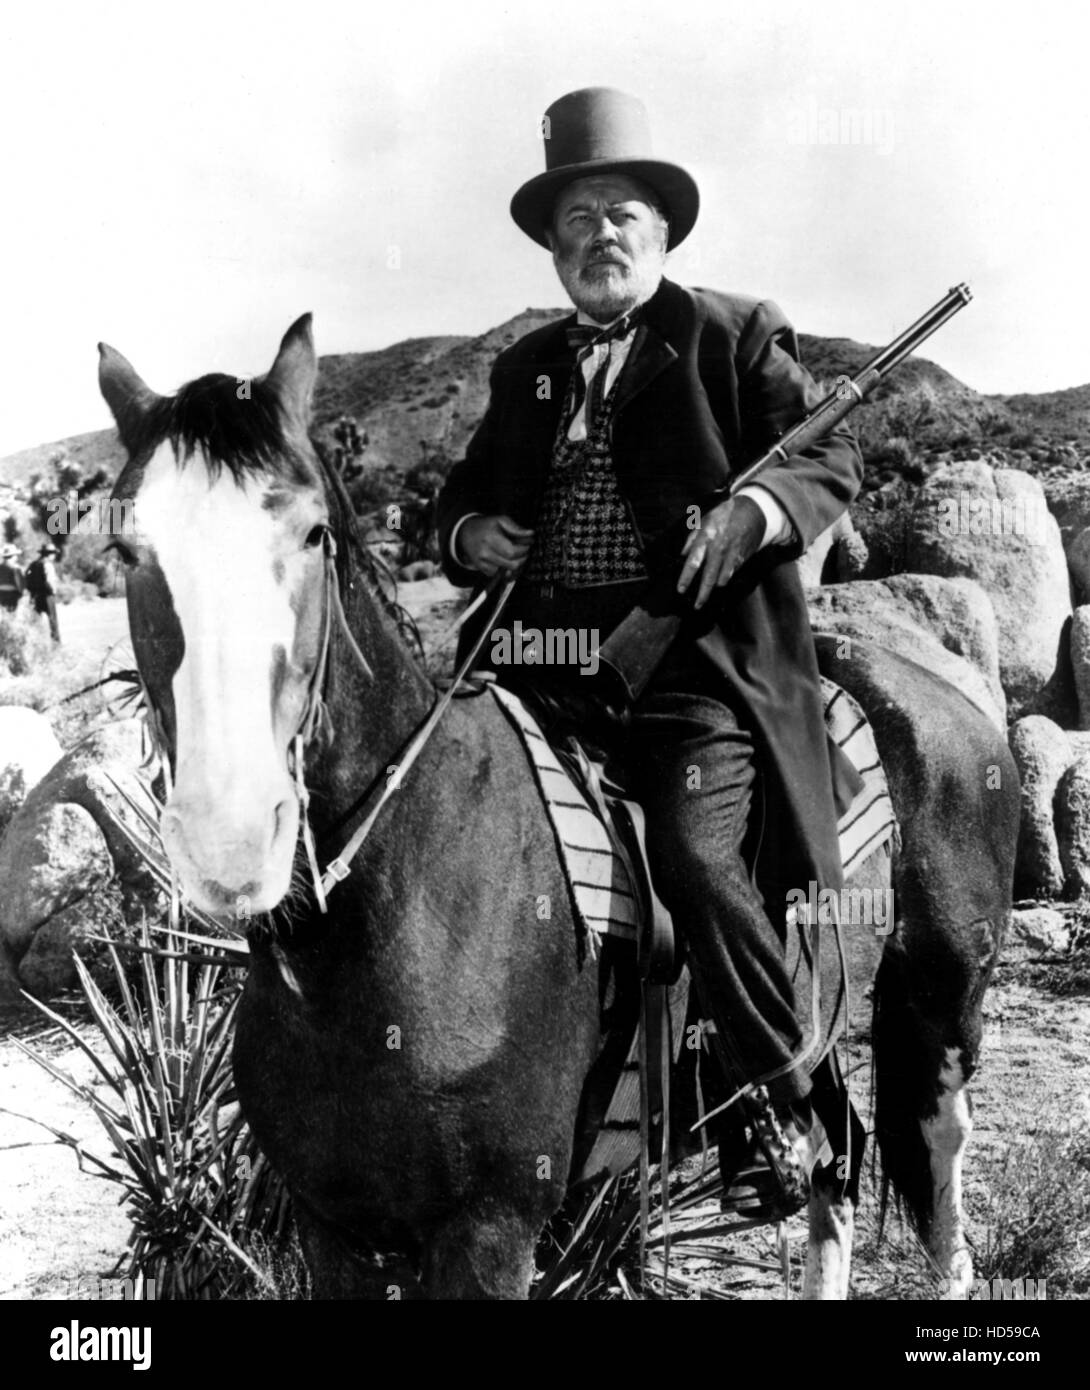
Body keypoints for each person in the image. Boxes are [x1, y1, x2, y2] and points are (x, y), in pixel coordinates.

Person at [437, 88, 864, 1213]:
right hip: (535, 667)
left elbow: (832, 460)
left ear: (663, 231)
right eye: (576, 220)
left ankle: (776, 1097)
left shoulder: (733, 333)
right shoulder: (522, 366)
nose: (599, 237)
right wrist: (470, 533)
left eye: (620, 213)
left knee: (690, 852)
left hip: (691, 669)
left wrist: (756, 513)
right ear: (554, 245)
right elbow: (458, 504)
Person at [23, 542, 61, 643]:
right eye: (53, 554)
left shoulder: (33, 564)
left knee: (36, 622)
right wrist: (53, 591)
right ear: (50, 554)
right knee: (53, 622)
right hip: (47, 596)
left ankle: (36, 644)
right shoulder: (47, 564)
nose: (54, 556)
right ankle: (56, 645)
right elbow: (49, 581)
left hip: (35, 596)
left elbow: (26, 577)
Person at [0, 544, 24, 614]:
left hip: (1, 593)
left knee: (4, 614)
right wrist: (21, 592)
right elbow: (18, 582)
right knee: (12, 614)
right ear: (13, 556)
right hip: (12, 594)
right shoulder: (15, 567)